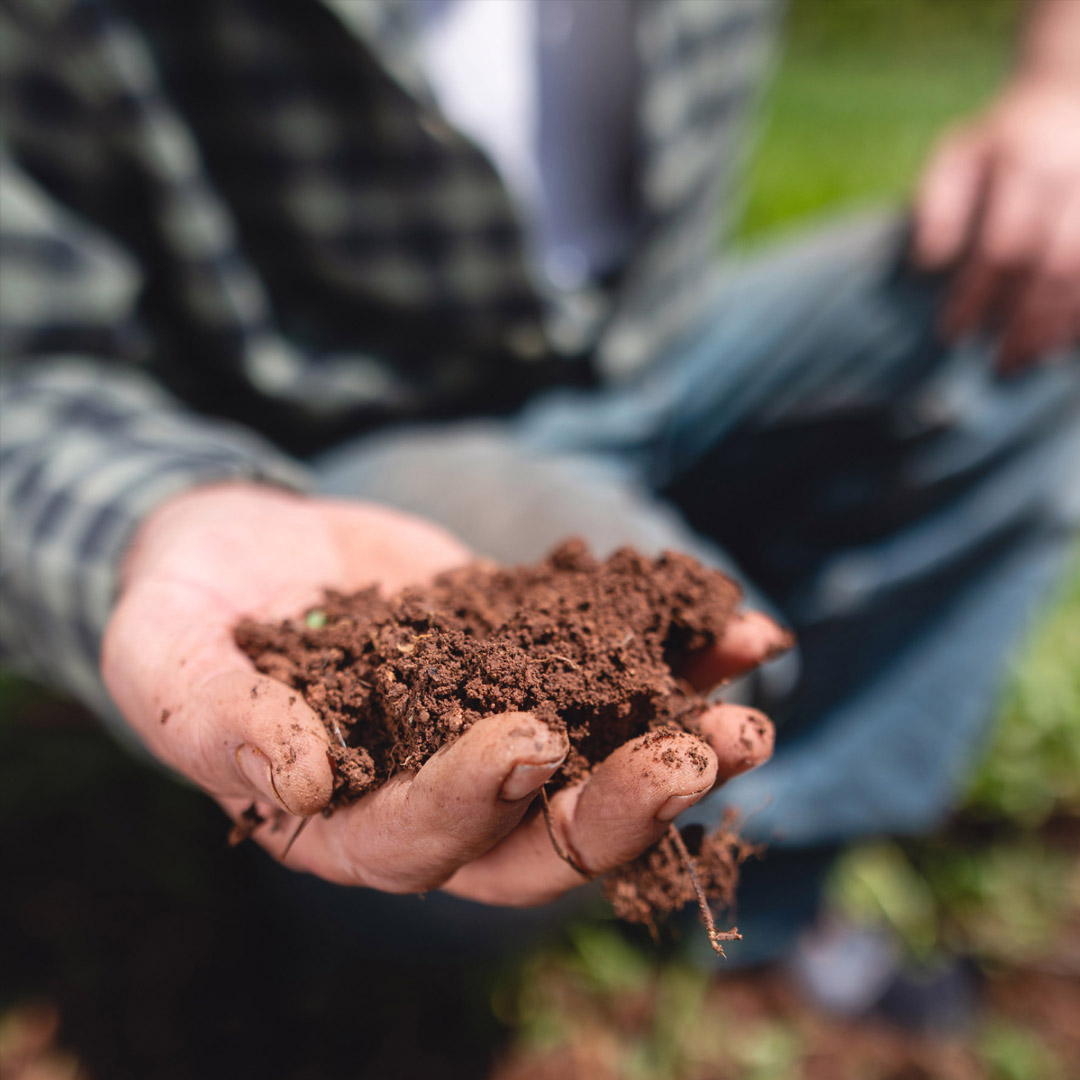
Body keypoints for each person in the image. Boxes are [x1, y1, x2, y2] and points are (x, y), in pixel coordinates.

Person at [1, 0, 1077, 963]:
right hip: (355, 452)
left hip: (661, 344)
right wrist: (174, 513)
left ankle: (770, 874)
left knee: (1038, 303)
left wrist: (1061, 81)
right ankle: (371, 925)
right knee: (554, 756)